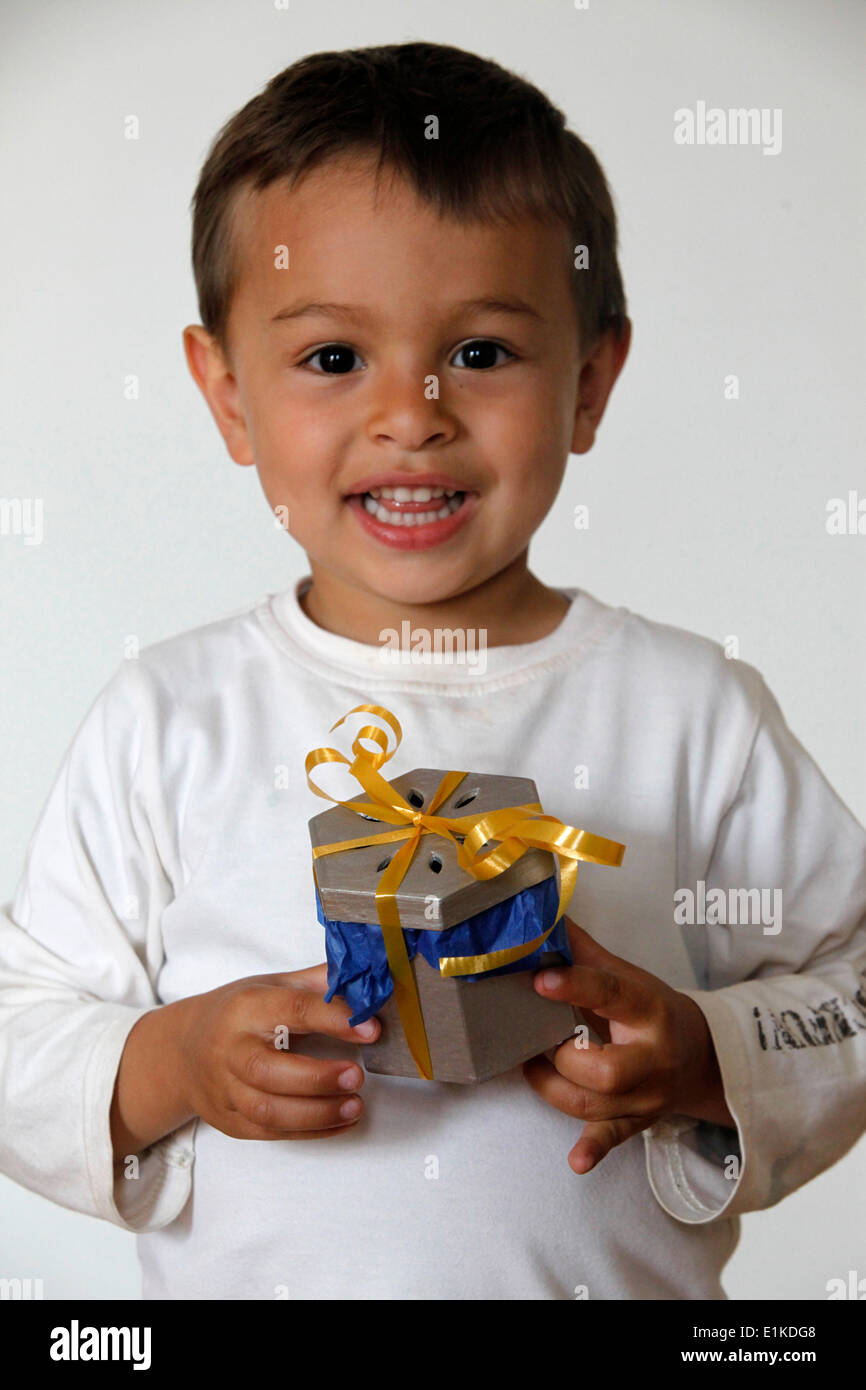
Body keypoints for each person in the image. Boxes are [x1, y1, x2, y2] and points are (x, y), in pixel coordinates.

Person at [1, 41, 864, 1301]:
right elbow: (21, 1027)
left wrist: (701, 1053)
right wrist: (173, 1062)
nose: (411, 413)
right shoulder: (168, 720)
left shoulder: (690, 716)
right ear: (227, 394)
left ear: (590, 379)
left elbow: (848, 992)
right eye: (333, 358)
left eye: (480, 352)